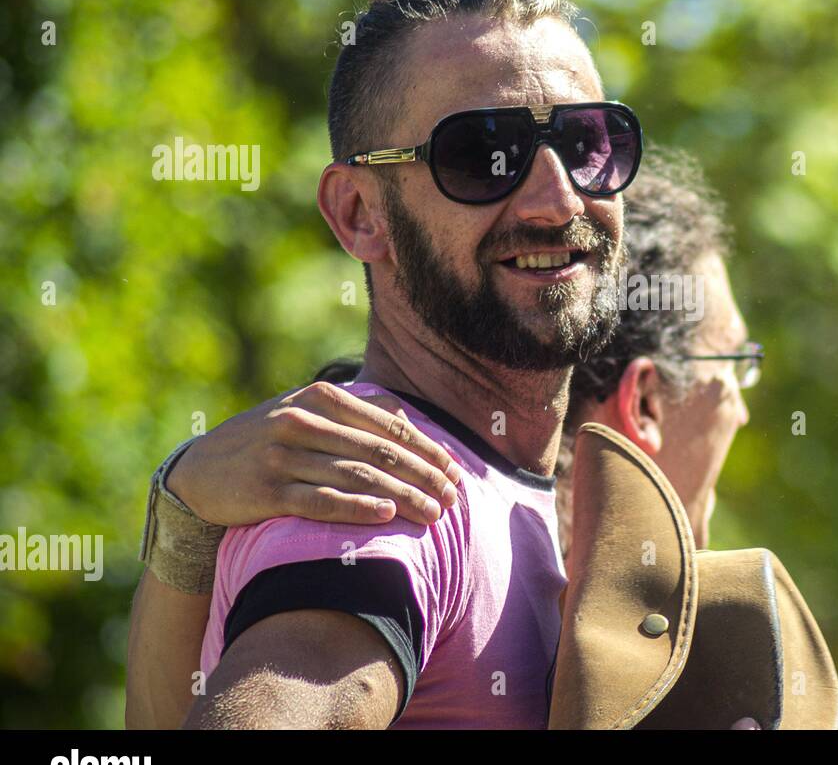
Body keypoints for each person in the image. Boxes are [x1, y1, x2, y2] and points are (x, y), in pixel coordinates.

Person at [130, 0, 641, 729]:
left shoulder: (530, 492)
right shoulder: (374, 493)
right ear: (360, 214)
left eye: (585, 142)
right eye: (483, 155)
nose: (555, 198)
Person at [128, 146, 761, 728]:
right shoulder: (397, 489)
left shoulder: (530, 533)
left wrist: (181, 508)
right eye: (736, 366)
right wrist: (182, 505)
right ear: (644, 400)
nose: (741, 410)